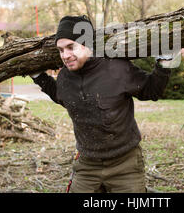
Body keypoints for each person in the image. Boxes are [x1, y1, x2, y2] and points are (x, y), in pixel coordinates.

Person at [31, 15, 174, 193]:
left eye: (70, 47)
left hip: (125, 164)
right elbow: (60, 96)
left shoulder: (117, 69)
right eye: (60, 50)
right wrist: (38, 76)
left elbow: (152, 91)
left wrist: (165, 62)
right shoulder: (65, 78)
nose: (65, 56)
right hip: (86, 165)